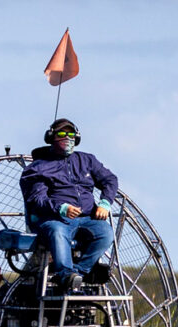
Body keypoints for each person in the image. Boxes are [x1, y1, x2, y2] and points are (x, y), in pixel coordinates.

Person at [20, 118, 120, 293]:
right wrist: (61, 208)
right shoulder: (38, 168)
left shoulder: (87, 160)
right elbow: (36, 200)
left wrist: (105, 203)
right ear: (51, 137)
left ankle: (78, 273)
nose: (68, 138)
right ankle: (65, 274)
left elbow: (110, 180)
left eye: (71, 135)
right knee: (58, 232)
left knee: (105, 232)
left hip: (88, 218)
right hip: (55, 219)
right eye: (62, 134)